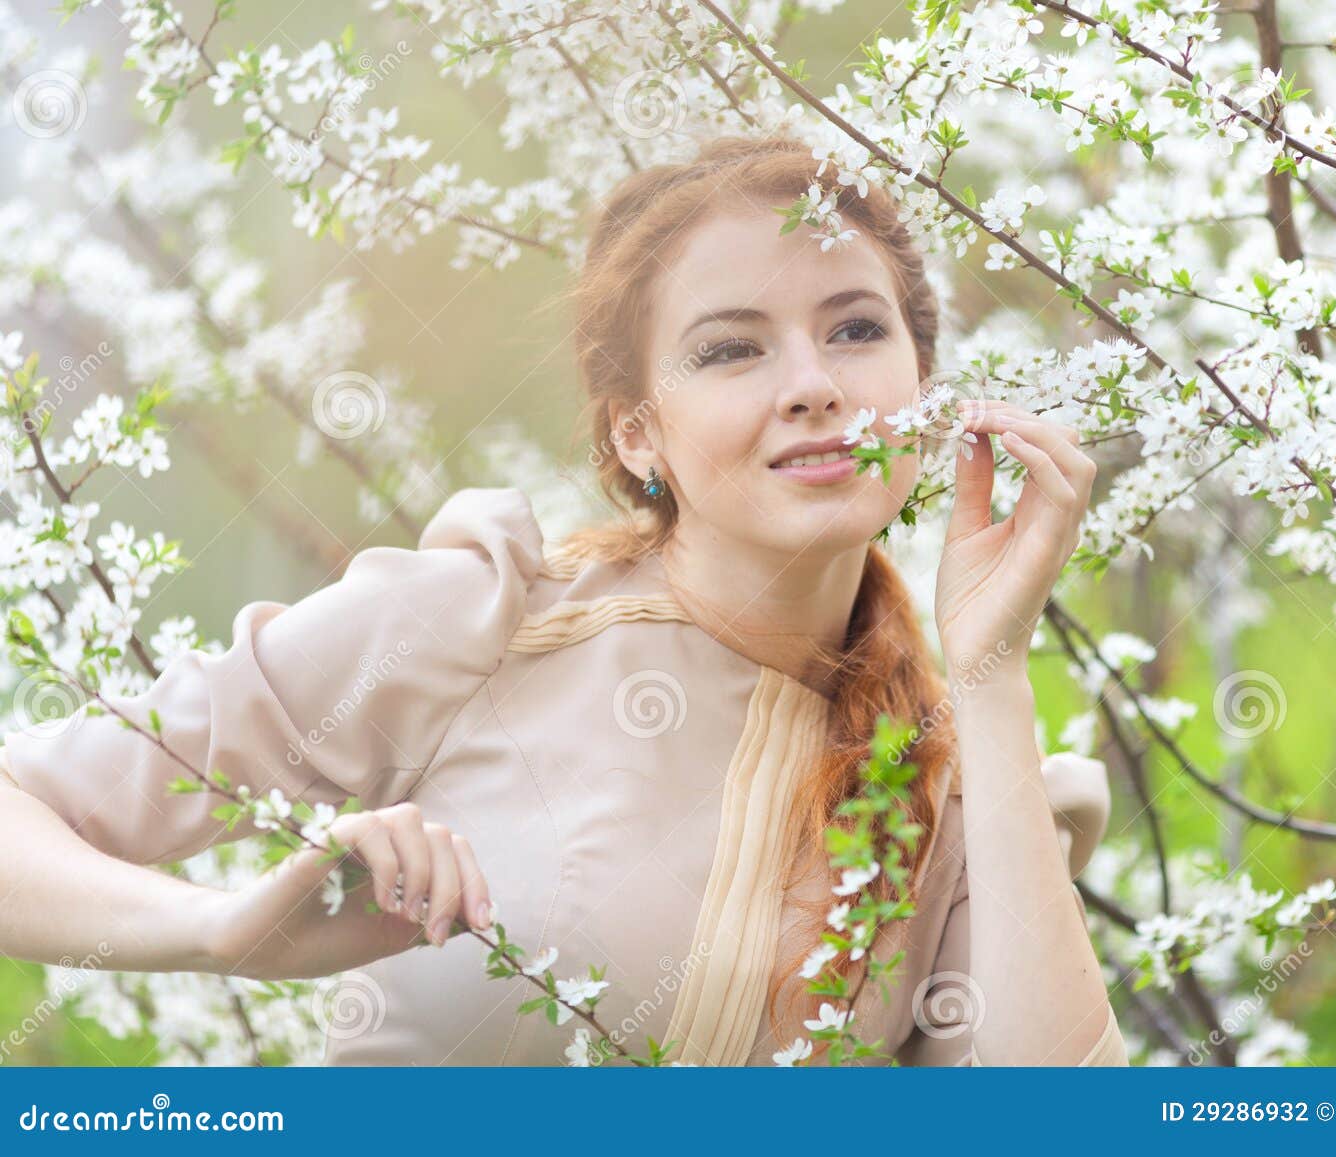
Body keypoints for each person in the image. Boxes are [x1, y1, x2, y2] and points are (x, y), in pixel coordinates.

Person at [0, 135, 1124, 1066]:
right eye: (731, 348)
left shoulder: (957, 790)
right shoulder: (473, 623)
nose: (814, 382)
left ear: (920, 386)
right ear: (638, 431)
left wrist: (989, 670)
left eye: (855, 329)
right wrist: (216, 929)